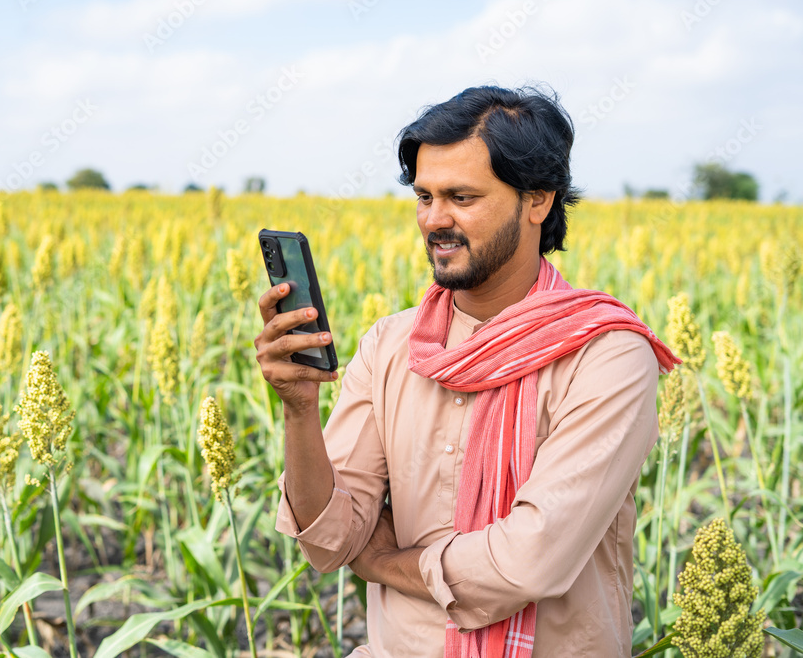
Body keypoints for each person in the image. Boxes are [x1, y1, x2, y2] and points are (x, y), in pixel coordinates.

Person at [253, 85, 680, 658]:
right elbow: (331, 540)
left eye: (461, 196)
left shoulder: (607, 355)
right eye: (424, 197)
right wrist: (299, 410)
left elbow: (528, 561)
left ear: (538, 201)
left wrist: (385, 562)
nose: (435, 220)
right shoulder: (390, 344)